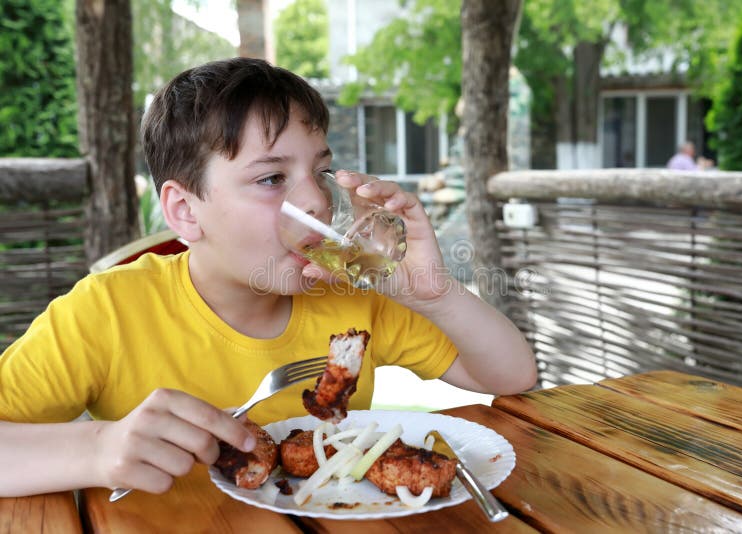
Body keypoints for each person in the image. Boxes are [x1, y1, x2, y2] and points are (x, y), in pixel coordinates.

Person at [0, 58, 537, 497]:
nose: (317, 201)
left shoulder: (351, 300)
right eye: (272, 177)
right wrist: (98, 449)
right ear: (185, 211)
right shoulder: (106, 313)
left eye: (320, 173)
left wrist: (436, 296)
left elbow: (511, 377)